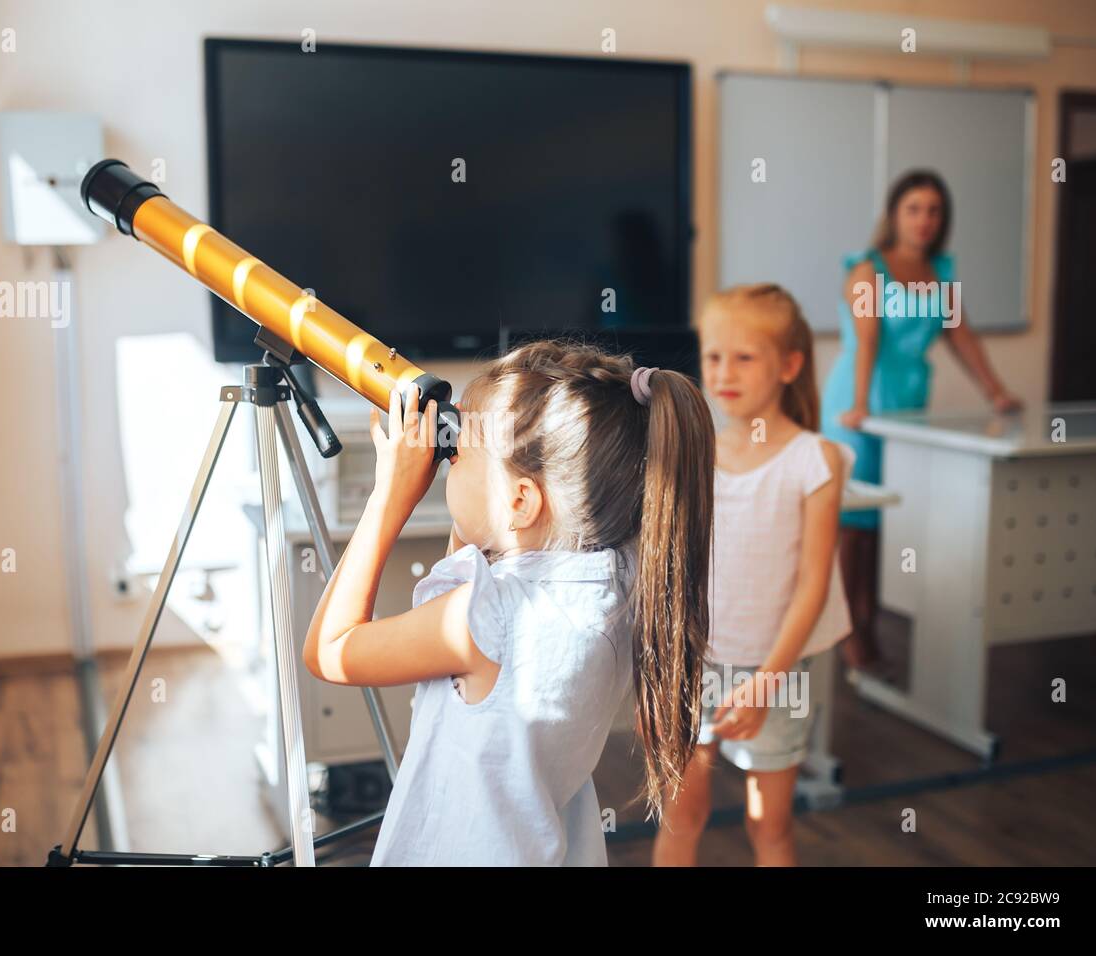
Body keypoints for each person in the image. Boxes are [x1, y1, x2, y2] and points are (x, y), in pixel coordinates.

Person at [303, 339, 715, 865]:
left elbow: (329, 651)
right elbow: (493, 548)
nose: (446, 460)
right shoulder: (617, 582)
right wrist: (476, 493)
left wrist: (389, 496)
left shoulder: (490, 616)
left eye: (459, 456)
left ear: (520, 501)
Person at [654, 284, 851, 866]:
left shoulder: (817, 460)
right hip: (693, 662)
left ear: (789, 365)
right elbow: (669, 571)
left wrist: (767, 680)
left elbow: (813, 584)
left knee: (769, 826)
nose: (723, 372)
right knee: (681, 815)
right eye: (714, 356)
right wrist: (658, 673)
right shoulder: (692, 452)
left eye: (744, 357)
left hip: (779, 669)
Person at [820, 169, 1021, 672]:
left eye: (934, 210)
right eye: (914, 208)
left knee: (890, 520)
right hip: (859, 404)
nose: (924, 220)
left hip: (912, 407)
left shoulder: (941, 273)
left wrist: (996, 391)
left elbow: (962, 338)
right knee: (854, 523)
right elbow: (867, 339)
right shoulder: (867, 269)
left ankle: (870, 618)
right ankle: (851, 631)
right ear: (894, 214)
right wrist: (861, 405)